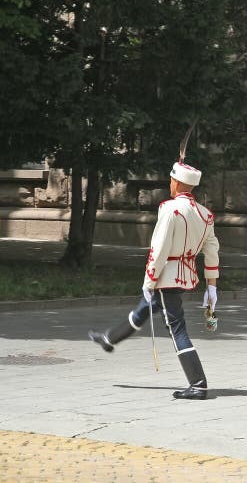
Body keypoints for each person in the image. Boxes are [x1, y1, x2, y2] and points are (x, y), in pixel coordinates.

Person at [88, 161, 220, 400]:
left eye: (171, 180)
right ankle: (110, 339)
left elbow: (159, 249)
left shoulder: (170, 209)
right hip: (186, 276)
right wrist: (212, 285)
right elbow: (212, 251)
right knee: (143, 310)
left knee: (177, 328)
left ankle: (198, 384)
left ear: (178, 182)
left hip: (166, 277)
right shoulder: (205, 215)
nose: (170, 184)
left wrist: (149, 281)